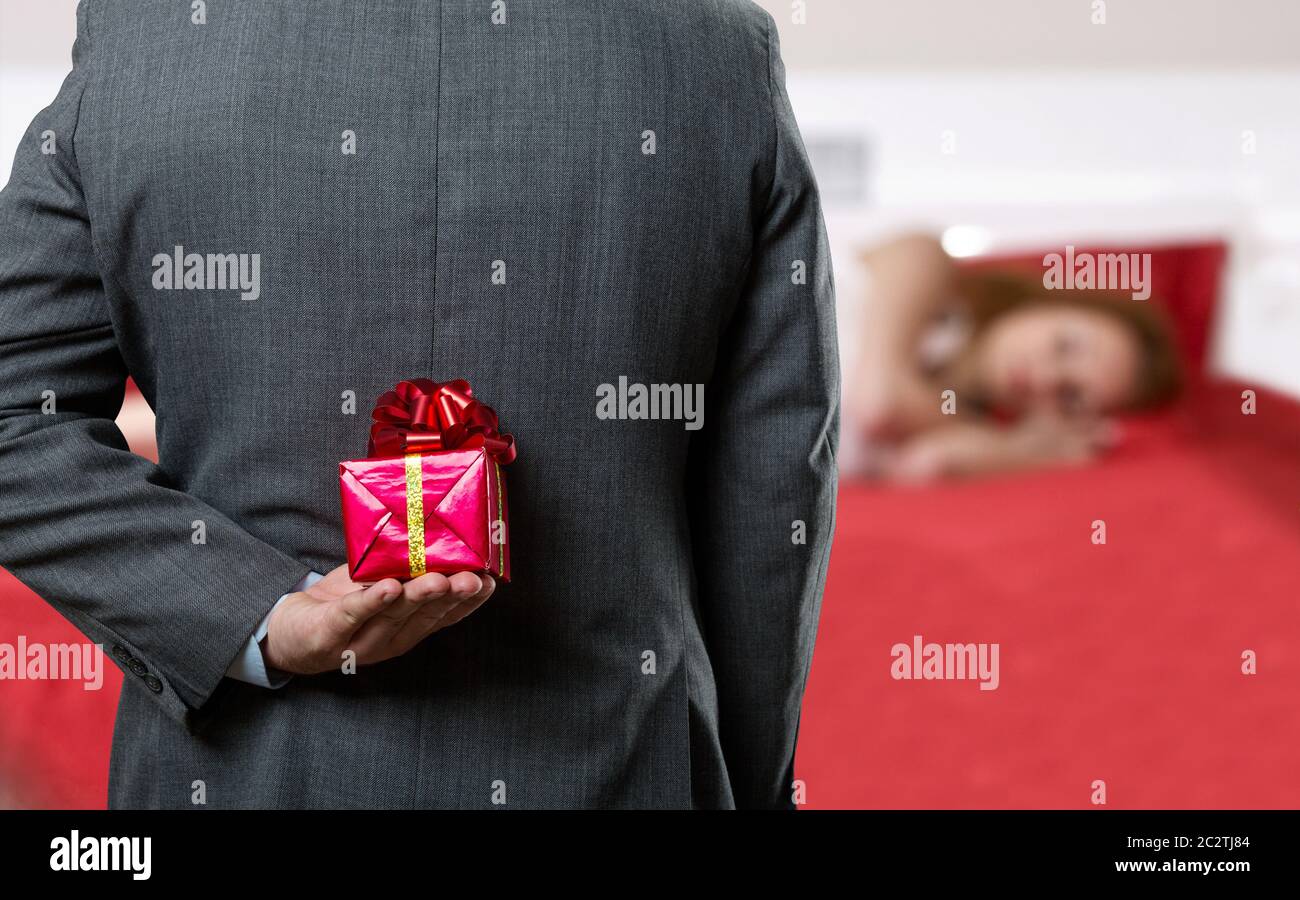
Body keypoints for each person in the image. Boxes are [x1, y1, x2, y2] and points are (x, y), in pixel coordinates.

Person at [0, 0, 838, 809]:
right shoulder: (720, 53)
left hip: (247, 777)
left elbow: (13, 425)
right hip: (620, 762)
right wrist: (749, 788)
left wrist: (256, 615)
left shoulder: (143, 37)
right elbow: (774, 493)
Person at [846, 234, 1180, 481]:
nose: (1046, 377)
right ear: (1047, 302)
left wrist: (1011, 453)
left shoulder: (961, 425)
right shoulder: (924, 259)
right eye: (1064, 345)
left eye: (1070, 395)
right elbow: (879, 404)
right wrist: (1012, 444)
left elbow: (926, 468)